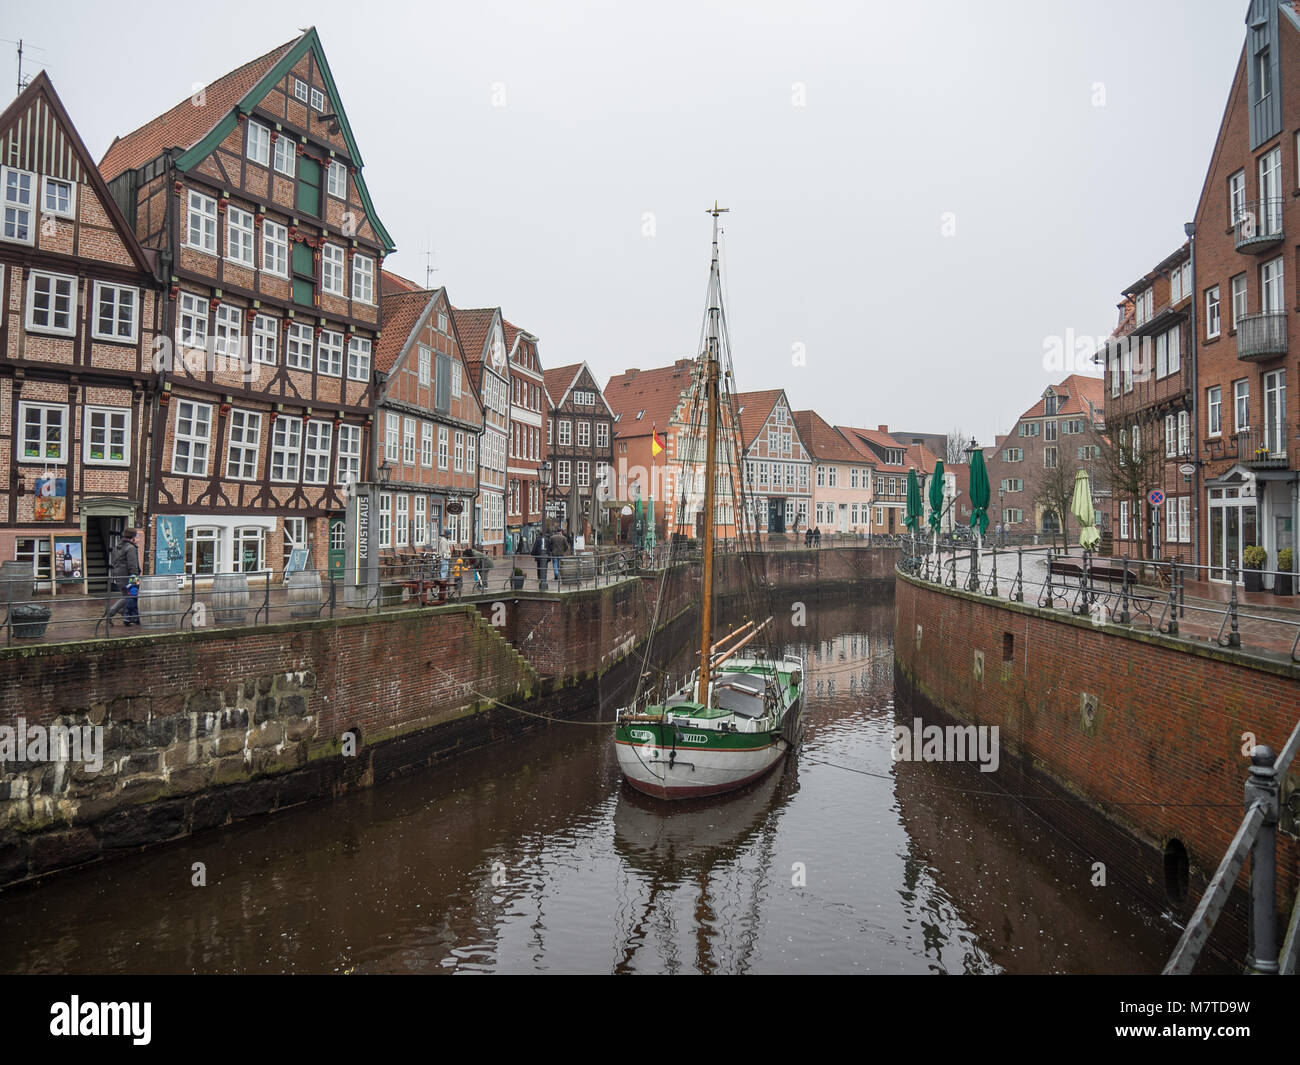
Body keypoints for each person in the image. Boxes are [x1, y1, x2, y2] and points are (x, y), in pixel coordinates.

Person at [106, 528, 142, 627]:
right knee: (129, 596)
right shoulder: (131, 548)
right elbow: (132, 565)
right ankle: (110, 613)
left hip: (118, 575)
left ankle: (128, 617)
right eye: (137, 536)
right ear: (133, 538)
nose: (138, 538)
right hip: (129, 576)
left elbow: (114, 562)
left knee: (127, 596)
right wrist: (135, 579)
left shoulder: (118, 546)